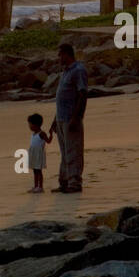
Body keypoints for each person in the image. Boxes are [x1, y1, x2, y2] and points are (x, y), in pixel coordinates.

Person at [50, 42, 87, 193]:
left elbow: (82, 94)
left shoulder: (78, 70)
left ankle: (75, 183)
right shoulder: (65, 72)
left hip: (71, 118)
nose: (58, 58)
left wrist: (76, 118)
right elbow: (61, 97)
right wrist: (54, 120)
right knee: (65, 152)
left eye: (60, 55)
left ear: (66, 54)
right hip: (61, 117)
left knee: (73, 151)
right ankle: (64, 181)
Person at [26, 113, 52, 193]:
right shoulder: (34, 134)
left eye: (30, 124)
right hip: (33, 153)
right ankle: (36, 186)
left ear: (36, 124)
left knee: (39, 171)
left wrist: (51, 134)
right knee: (35, 171)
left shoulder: (41, 133)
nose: (29, 126)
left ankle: (40, 187)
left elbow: (48, 141)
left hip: (39, 154)